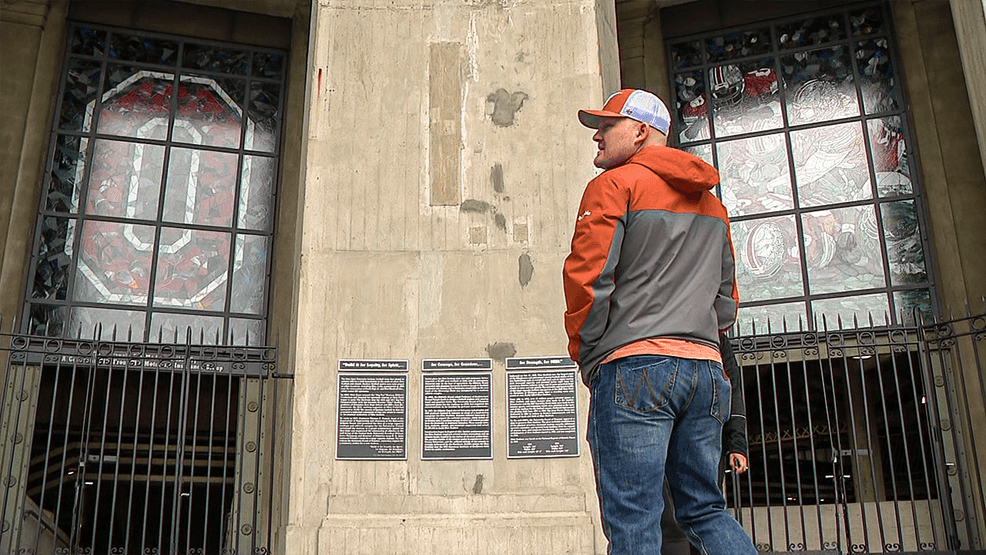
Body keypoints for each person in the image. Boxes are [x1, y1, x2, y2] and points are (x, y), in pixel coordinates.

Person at [562, 88, 756, 555]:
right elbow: (726, 303)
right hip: (706, 373)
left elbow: (588, 280)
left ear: (640, 131)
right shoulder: (714, 207)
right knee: (705, 510)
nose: (598, 138)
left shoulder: (614, 186)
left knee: (634, 518)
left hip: (635, 368)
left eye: (607, 127)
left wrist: (589, 355)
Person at [661, 333, 749, 555]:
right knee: (684, 515)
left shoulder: (716, 336)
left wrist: (737, 443)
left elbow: (733, 387)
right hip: (671, 428)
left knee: (699, 511)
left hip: (695, 425)